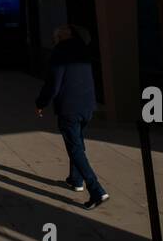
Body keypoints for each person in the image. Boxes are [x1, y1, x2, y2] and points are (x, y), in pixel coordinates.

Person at [35, 25, 108, 210]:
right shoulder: (83, 49)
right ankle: (76, 180)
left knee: (75, 147)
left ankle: (96, 190)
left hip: (70, 108)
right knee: (78, 141)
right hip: (88, 106)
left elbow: (53, 84)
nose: (53, 41)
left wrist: (41, 103)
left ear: (59, 38)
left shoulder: (59, 52)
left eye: (54, 38)